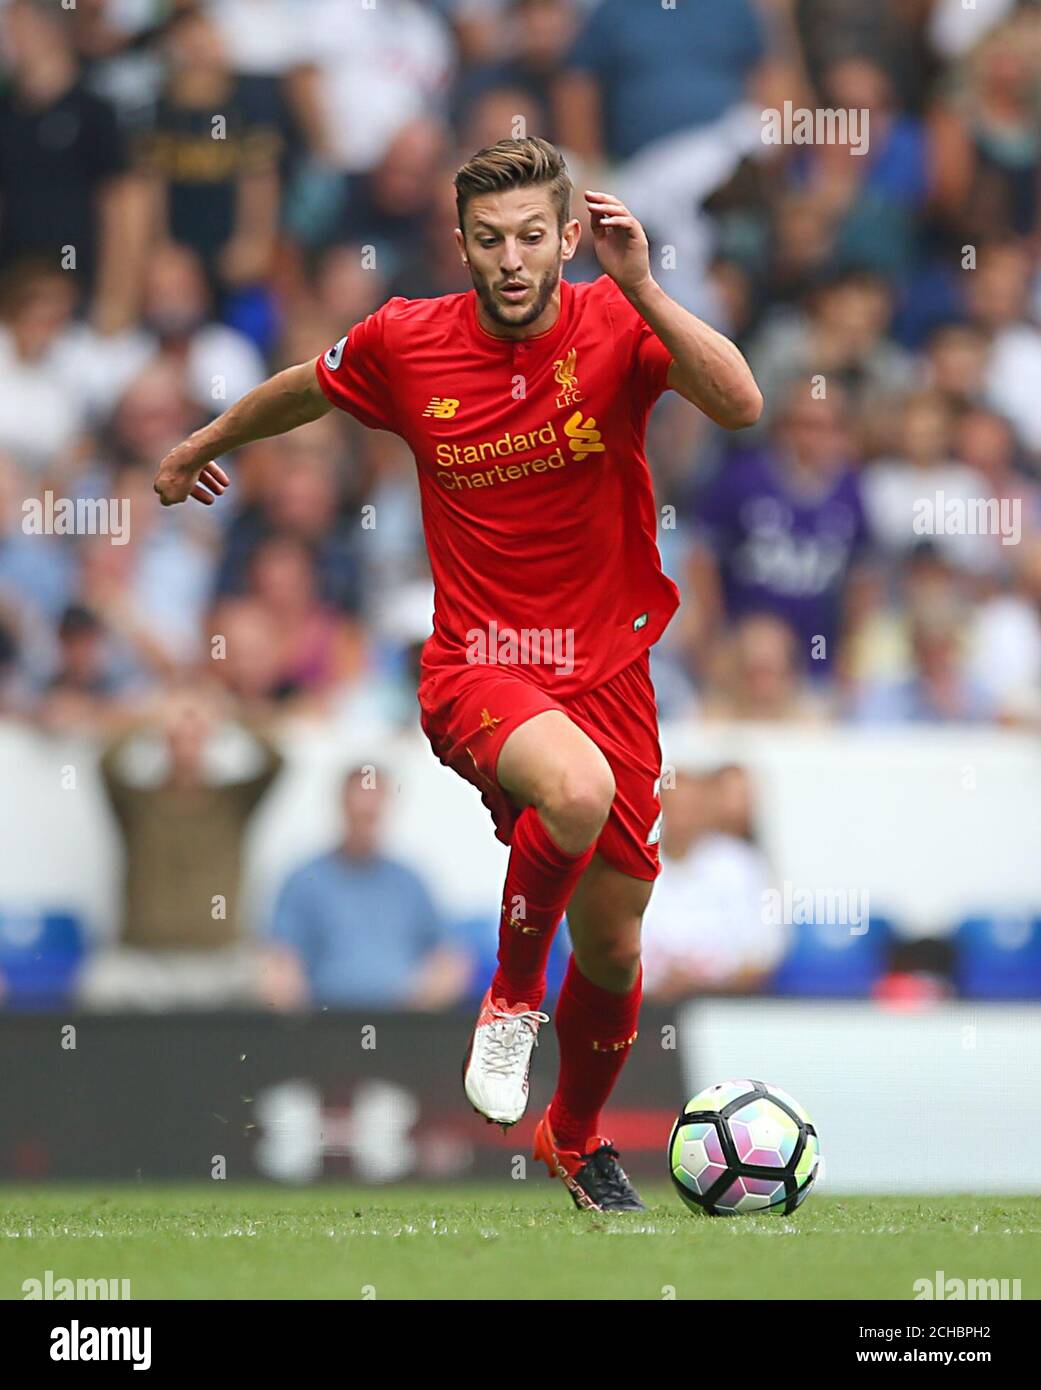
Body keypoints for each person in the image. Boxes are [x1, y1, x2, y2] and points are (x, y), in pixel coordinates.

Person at [153, 136, 762, 1212]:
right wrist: (204, 439)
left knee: (616, 945)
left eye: (534, 236)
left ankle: (573, 1139)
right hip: (478, 662)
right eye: (491, 240)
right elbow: (308, 388)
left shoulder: (617, 321)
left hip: (610, 670)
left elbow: (743, 403)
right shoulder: (407, 340)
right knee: (577, 791)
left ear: (568, 235)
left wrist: (646, 285)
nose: (513, 258)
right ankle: (510, 999)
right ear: (463, 245)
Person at [263, 766, 470, 1009]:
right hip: (327, 1023)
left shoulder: (410, 882)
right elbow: (279, 957)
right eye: (358, 815)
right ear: (342, 808)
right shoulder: (305, 880)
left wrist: (422, 1003)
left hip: (400, 1022)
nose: (364, 825)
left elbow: (449, 957)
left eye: (371, 816)